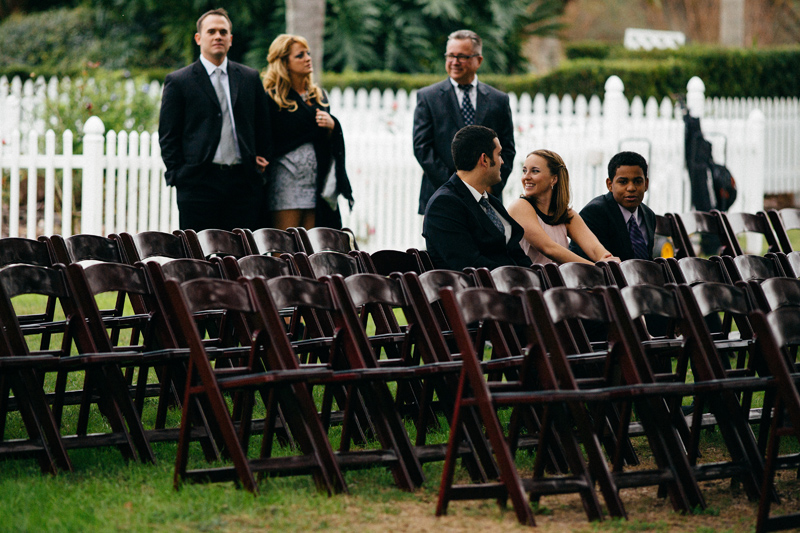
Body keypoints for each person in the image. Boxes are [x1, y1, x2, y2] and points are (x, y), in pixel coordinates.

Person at [158, 8, 271, 232]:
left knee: (242, 257)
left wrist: (261, 159)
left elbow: (263, 125)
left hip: (242, 183)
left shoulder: (249, 78)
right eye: (211, 31)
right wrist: (179, 175)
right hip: (199, 183)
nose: (218, 36)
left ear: (230, 39)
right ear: (199, 38)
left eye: (223, 32)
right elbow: (168, 135)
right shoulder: (179, 81)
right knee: (200, 258)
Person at [413, 30, 515, 215]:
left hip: (487, 199)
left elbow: (507, 149)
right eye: (450, 55)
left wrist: (490, 187)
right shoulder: (428, 97)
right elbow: (422, 148)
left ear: (479, 60)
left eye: (462, 56)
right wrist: (458, 187)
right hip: (440, 198)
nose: (454, 62)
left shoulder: (498, 100)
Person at [261, 34, 353, 231]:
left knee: (311, 247)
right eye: (300, 55)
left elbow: (325, 142)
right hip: (285, 179)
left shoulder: (319, 97)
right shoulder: (272, 99)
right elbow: (271, 139)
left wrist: (332, 126)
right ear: (284, 63)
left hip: (315, 182)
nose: (307, 58)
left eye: (308, 54)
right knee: (285, 247)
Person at [423, 125, 532, 271]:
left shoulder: (491, 202)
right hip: (477, 290)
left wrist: (536, 276)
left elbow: (515, 253)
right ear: (484, 159)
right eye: (499, 154)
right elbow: (469, 264)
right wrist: (519, 277)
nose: (502, 162)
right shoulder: (444, 205)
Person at [507, 150, 618, 265]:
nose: (526, 177)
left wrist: (608, 259)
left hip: (557, 282)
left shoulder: (567, 214)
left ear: (554, 179)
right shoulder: (520, 206)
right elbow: (549, 248)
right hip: (525, 281)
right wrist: (594, 267)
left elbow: (595, 249)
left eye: (534, 171)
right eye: (524, 171)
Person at [569, 151, 656, 261]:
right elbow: (590, 263)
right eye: (623, 182)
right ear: (610, 185)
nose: (631, 188)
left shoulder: (649, 215)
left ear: (646, 184)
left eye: (638, 181)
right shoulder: (595, 213)